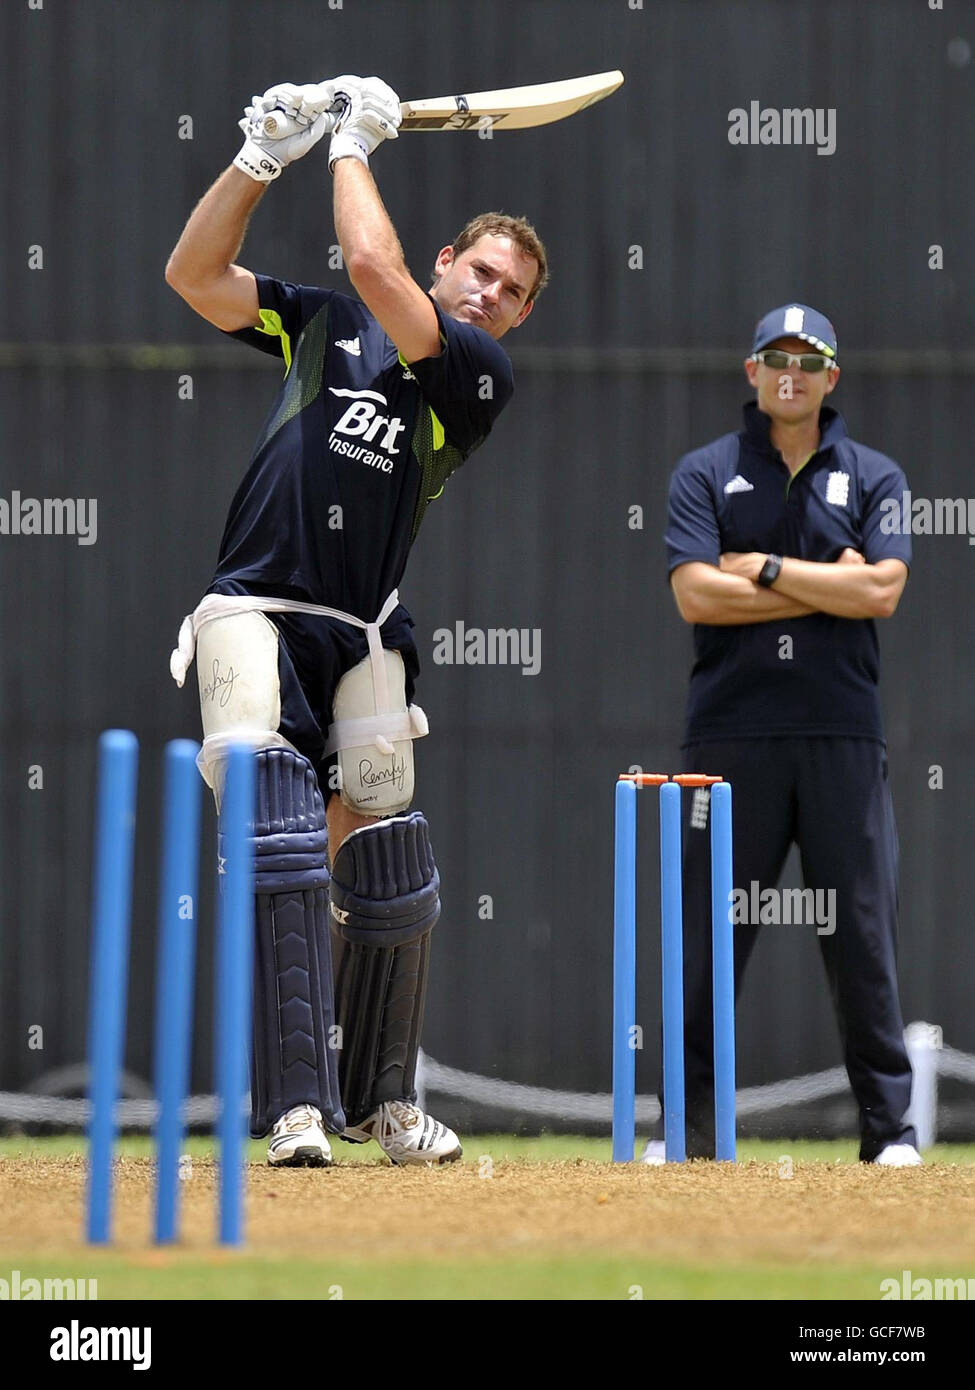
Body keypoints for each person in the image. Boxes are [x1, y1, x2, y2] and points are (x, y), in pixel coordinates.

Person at [165, 77, 546, 1166]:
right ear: (448, 264)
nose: (491, 295)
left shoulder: (474, 376)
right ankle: (293, 1106)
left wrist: (351, 143)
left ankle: (381, 1099)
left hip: (363, 628)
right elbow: (193, 276)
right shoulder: (322, 326)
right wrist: (259, 157)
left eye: (512, 291)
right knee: (281, 832)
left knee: (383, 856)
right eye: (479, 272)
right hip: (257, 607)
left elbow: (373, 265)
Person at [648, 303, 919, 1166]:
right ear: (752, 371)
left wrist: (761, 568)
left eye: (808, 359)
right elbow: (694, 595)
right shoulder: (707, 472)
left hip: (842, 731)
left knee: (862, 935)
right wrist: (826, 583)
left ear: (830, 376)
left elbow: (881, 593)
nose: (791, 372)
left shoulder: (874, 474)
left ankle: (890, 1136)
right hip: (729, 736)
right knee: (705, 938)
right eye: (776, 358)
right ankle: (685, 1137)